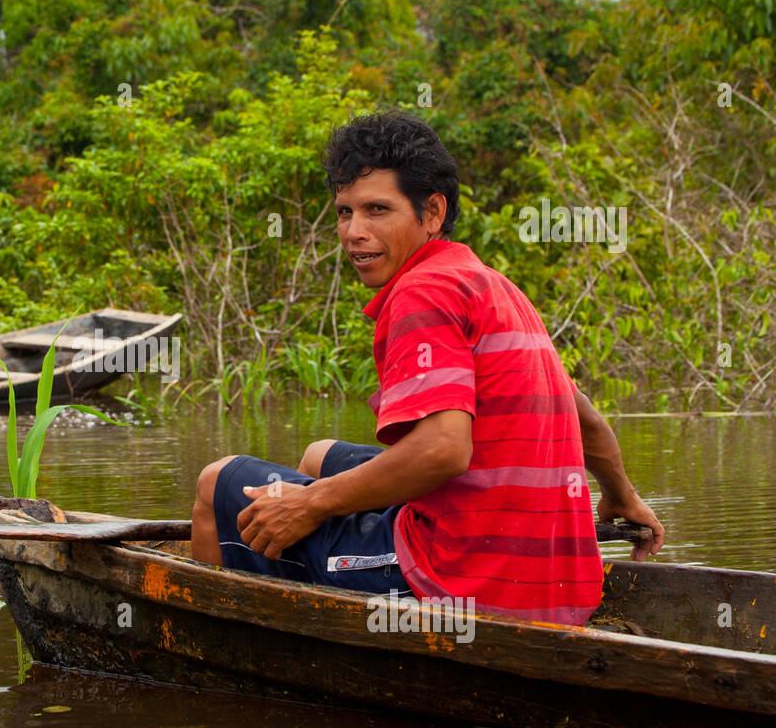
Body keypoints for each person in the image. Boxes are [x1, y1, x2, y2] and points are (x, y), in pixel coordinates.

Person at [191, 111, 665, 626]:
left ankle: (223, 642)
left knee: (217, 482)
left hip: (464, 580)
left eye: (377, 210)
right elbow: (587, 423)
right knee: (318, 455)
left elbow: (443, 450)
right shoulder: (490, 284)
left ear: (432, 212)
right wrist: (623, 497)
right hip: (561, 585)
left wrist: (310, 505)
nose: (354, 232)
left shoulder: (424, 291)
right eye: (345, 212)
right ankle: (322, 604)